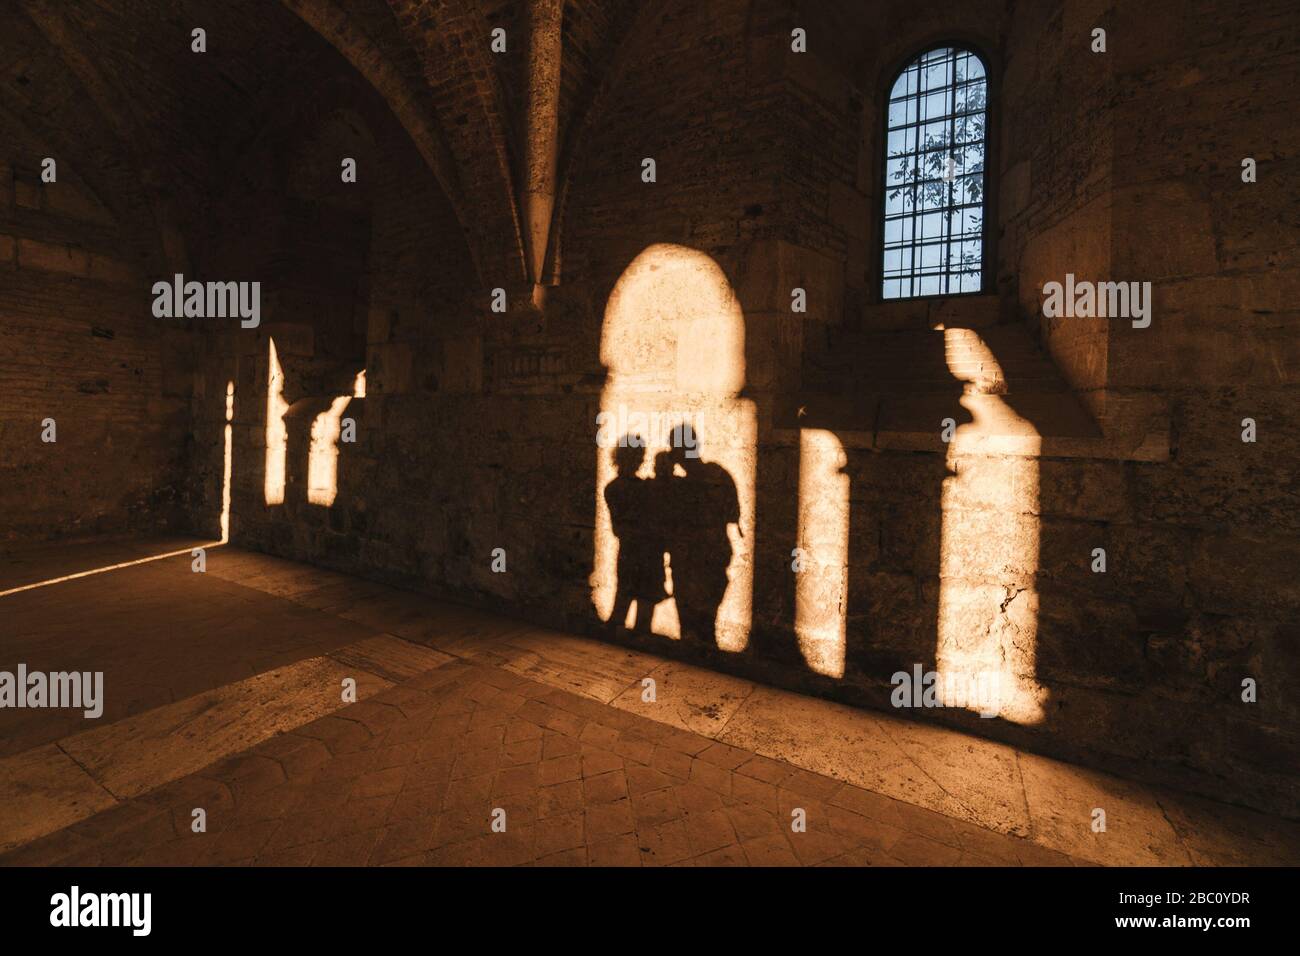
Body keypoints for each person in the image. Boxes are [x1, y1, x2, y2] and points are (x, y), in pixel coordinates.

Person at [604, 436, 667, 632]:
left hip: (635, 552)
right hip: (641, 552)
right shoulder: (634, 488)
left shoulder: (616, 487)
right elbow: (622, 527)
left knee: (626, 604)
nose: (640, 460)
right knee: (637, 608)